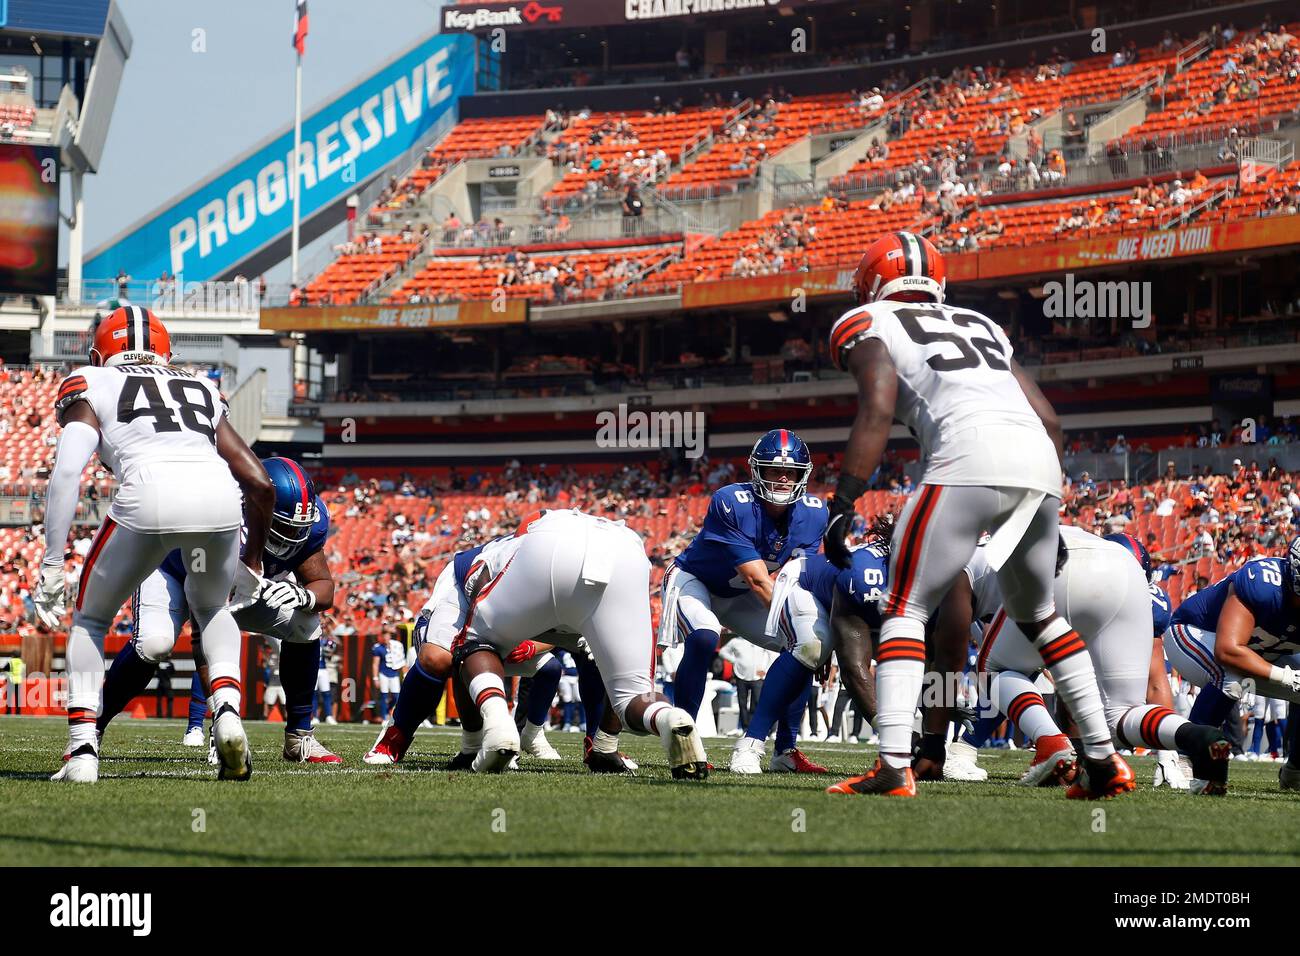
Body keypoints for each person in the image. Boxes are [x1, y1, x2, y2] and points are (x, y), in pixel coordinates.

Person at [821, 231, 1130, 798]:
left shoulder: (868, 320)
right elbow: (1052, 421)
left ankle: (893, 766)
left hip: (964, 458)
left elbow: (880, 402)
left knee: (905, 608)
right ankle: (1105, 760)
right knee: (1040, 616)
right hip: (1037, 462)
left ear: (871, 284)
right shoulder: (984, 325)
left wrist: (843, 502)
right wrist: (1049, 513)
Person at [36, 305, 274, 784]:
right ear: (166, 351)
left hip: (147, 494)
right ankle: (226, 714)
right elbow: (261, 483)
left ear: (101, 351)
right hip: (219, 498)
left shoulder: (91, 380)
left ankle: (82, 750)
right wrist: (251, 562)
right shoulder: (200, 387)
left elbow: (65, 472)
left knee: (91, 619)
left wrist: (53, 560)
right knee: (212, 611)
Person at [377, 509, 707, 777]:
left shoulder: (510, 552)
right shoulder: (476, 568)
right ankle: (664, 718)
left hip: (544, 560)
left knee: (473, 645)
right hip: (626, 549)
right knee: (632, 690)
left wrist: (528, 644)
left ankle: (496, 731)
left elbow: (468, 644)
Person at [94, 456, 341, 765]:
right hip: (171, 572)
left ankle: (299, 737)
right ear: (254, 508)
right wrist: (222, 716)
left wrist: (302, 595)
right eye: (281, 526)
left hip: (237, 588)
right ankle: (93, 725)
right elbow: (203, 627)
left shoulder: (307, 524)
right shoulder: (221, 521)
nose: (292, 537)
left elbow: (323, 584)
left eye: (298, 529)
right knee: (154, 645)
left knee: (306, 623)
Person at [658, 428, 828, 770]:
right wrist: (798, 627)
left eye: (790, 472)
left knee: (804, 646)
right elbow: (757, 578)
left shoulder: (814, 513)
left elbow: (799, 579)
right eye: (773, 470)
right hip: (698, 581)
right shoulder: (731, 501)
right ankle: (686, 743)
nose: (782, 479)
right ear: (756, 472)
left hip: (743, 596)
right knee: (705, 637)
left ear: (802, 475)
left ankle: (785, 751)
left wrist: (815, 636)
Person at [1161, 537, 1300, 792]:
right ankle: (1187, 756)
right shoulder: (1263, 583)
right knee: (1233, 677)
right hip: (1194, 633)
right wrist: (1286, 677)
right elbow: (1228, 650)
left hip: (1260, 651)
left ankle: (1295, 770)